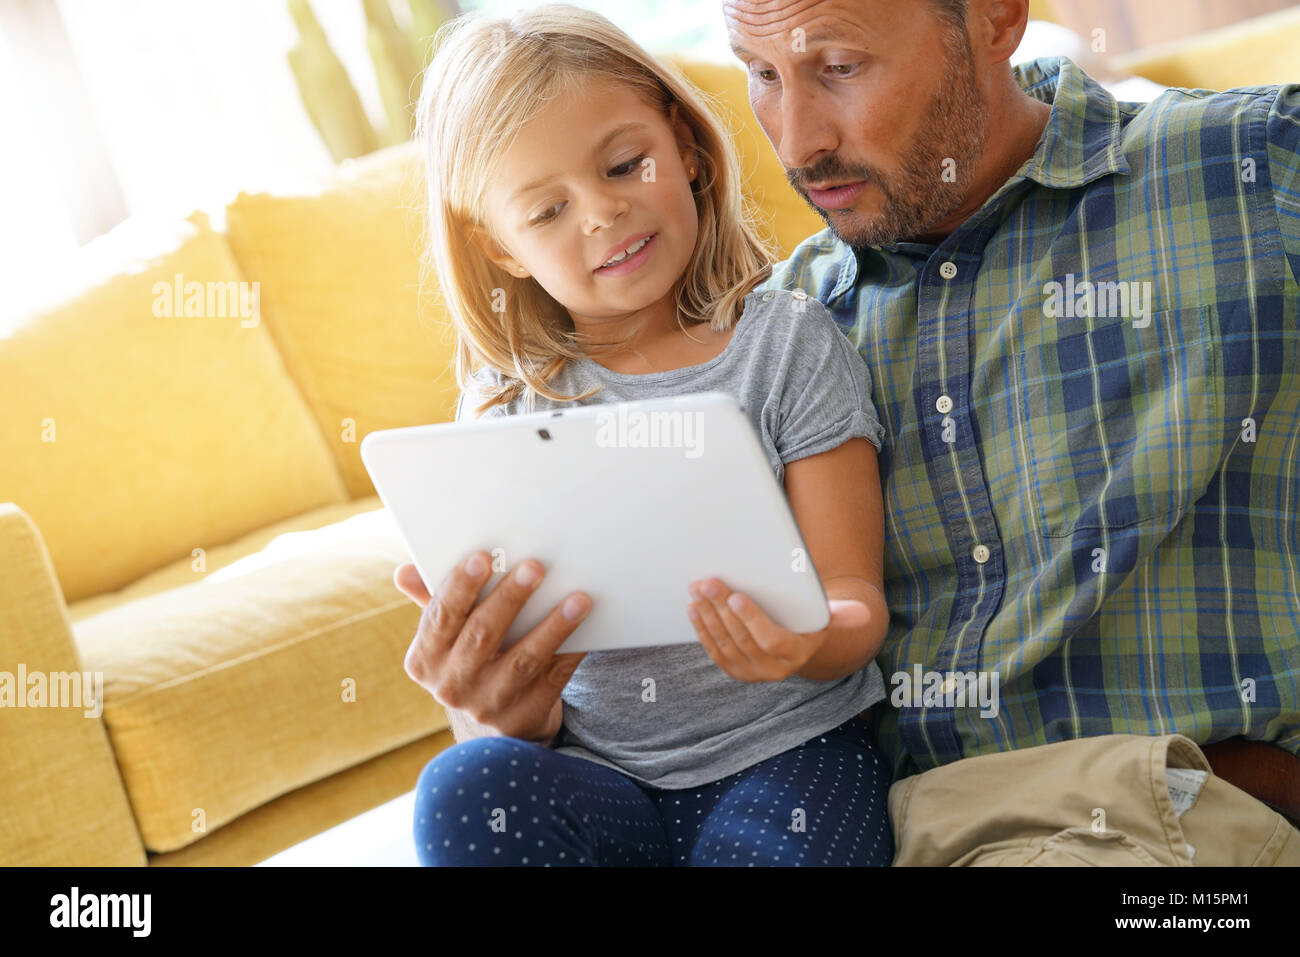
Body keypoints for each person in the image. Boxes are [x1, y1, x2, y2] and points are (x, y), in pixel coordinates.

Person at [721, 0, 1300, 865]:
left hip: (1197, 835)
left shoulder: (1250, 171)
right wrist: (522, 717)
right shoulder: (771, 336)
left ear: (995, 19)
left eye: (840, 66)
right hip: (910, 836)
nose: (797, 142)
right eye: (763, 76)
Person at [400, 3, 896, 866]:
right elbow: (496, 705)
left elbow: (856, 597)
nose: (601, 214)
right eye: (547, 211)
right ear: (502, 247)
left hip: (792, 755)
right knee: (462, 784)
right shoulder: (500, 408)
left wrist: (808, 639)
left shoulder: (783, 344)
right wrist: (493, 697)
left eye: (627, 165)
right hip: (603, 781)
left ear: (688, 148)